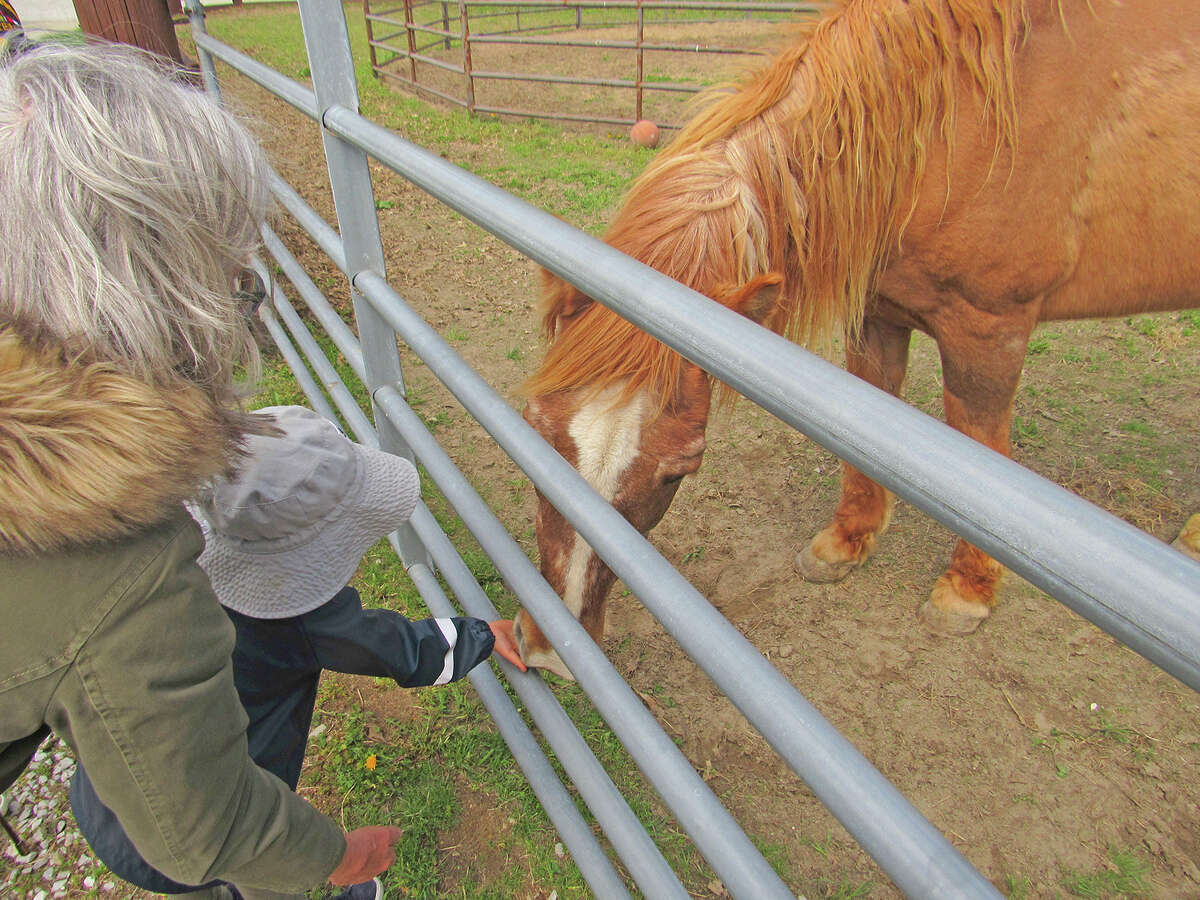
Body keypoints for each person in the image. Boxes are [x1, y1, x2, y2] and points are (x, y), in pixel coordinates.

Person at [1, 41, 418, 900]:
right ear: (148, 290)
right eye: (227, 275)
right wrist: (337, 864)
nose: (239, 297)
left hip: (105, 801)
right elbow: (207, 823)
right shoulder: (114, 564)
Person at [68, 405, 527, 899]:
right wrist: (480, 634)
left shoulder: (173, 564)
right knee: (261, 866)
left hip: (109, 797)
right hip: (227, 821)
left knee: (196, 874)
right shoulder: (303, 619)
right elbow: (402, 650)